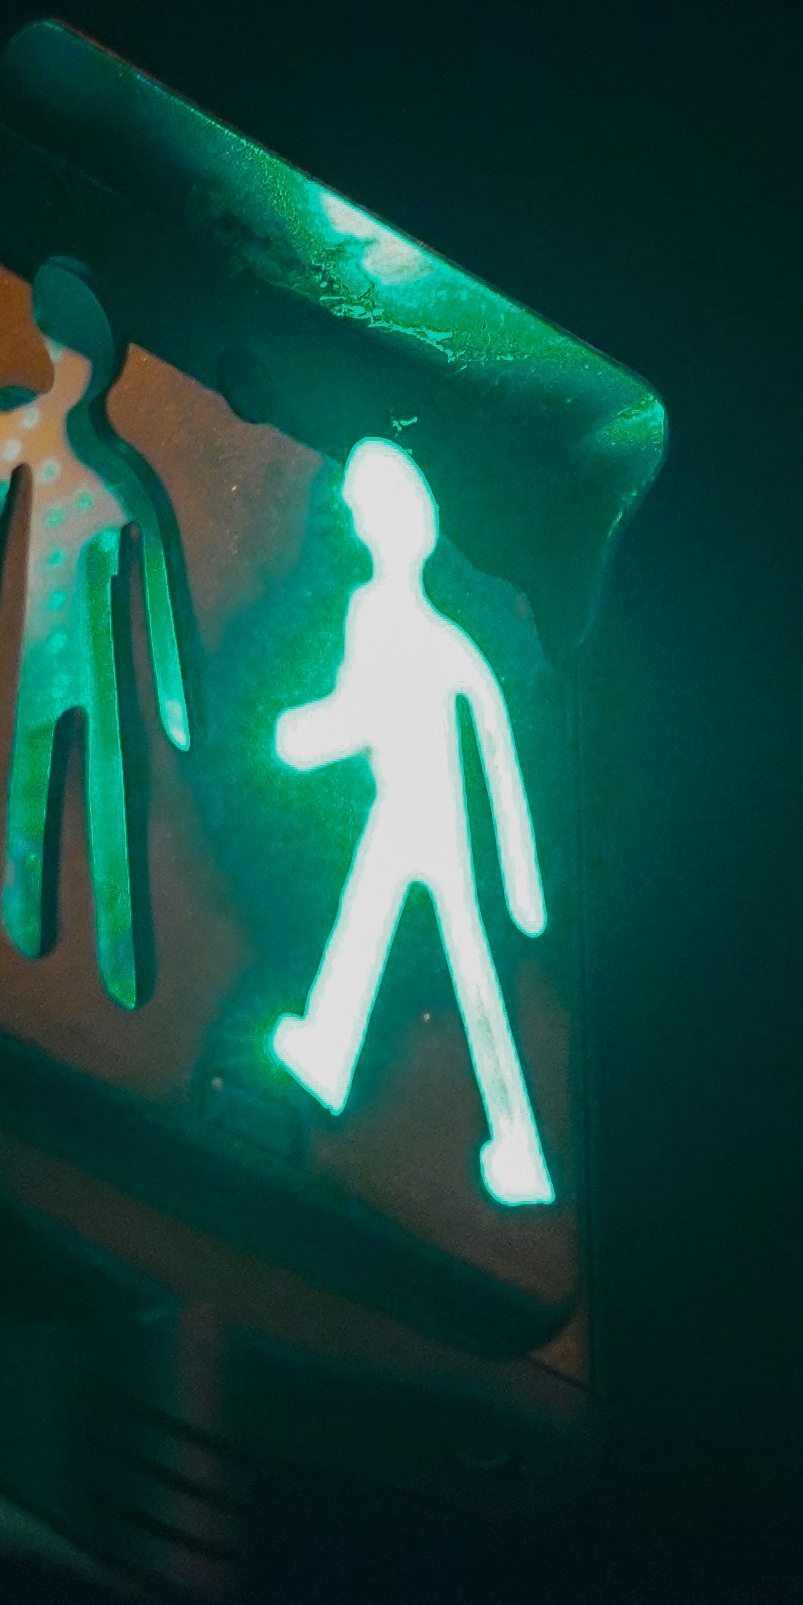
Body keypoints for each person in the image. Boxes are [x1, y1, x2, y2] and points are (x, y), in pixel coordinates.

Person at [267, 438, 556, 1209]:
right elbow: (491, 747)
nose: (360, 525)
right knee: (406, 941)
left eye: (365, 512)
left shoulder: (397, 622)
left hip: (421, 808)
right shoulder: (424, 629)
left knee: (463, 967)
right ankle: (333, 1053)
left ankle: (519, 1145)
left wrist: (303, 738)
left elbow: (376, 713)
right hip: (410, 806)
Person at [0, 258, 193, 1011]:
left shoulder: (102, 472)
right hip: (55, 654)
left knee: (94, 795)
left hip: (77, 660)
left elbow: (154, 588)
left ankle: (93, 951)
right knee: (67, 790)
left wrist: (177, 701)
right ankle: (37, 926)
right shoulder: (55, 447)